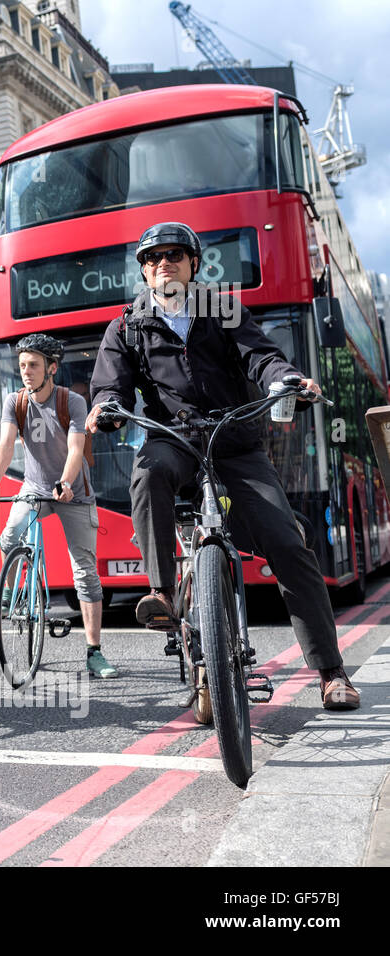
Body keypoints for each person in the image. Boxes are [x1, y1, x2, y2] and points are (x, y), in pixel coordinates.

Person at [86, 221, 359, 713]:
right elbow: (112, 385)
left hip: (234, 442)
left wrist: (289, 379)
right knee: (147, 471)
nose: (161, 263)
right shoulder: (126, 326)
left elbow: (263, 358)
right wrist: (105, 406)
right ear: (144, 272)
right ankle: (163, 594)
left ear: (193, 264)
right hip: (175, 439)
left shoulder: (224, 309)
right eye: (151, 258)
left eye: (173, 254)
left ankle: (330, 672)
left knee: (287, 543)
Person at [0, 333, 115, 679]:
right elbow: (6, 444)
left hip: (72, 493)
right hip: (35, 487)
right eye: (22, 365)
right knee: (9, 537)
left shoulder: (72, 403)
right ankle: (14, 595)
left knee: (84, 572)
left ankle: (94, 652)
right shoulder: (15, 401)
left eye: (33, 365)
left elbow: (76, 449)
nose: (26, 371)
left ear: (52, 368)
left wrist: (66, 483)